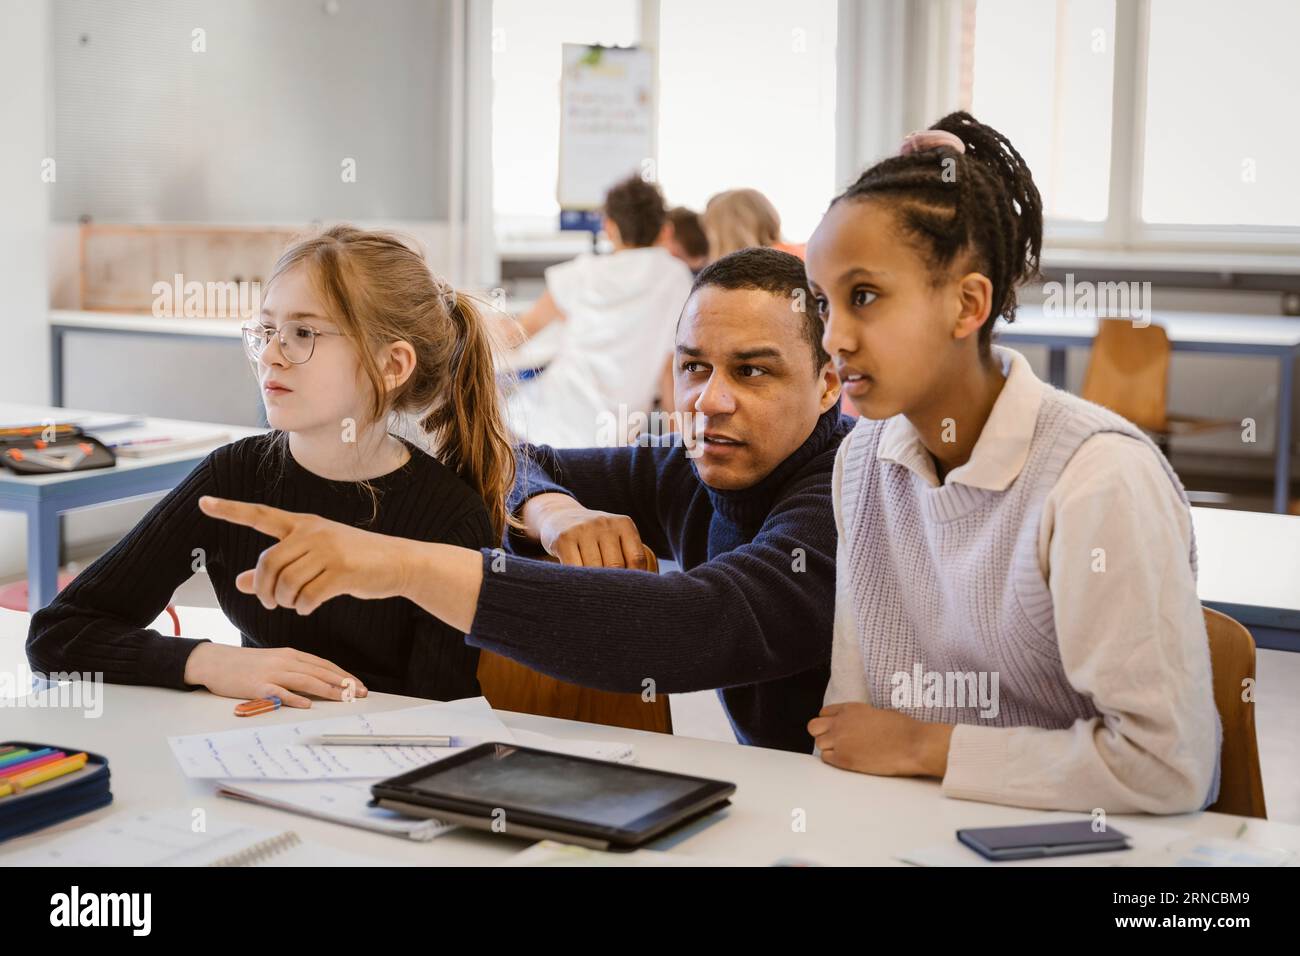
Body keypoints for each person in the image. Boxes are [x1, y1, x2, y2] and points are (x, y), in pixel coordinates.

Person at [198, 248, 851, 753]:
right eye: (693, 367)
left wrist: (401, 566)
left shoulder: (845, 491)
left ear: (827, 385)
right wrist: (551, 508)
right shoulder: (689, 465)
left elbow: (702, 625)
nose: (710, 401)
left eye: (753, 371)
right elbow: (514, 460)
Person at [805, 114, 1220, 813]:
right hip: (914, 831)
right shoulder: (861, 462)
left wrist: (924, 745)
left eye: (864, 296)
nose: (833, 337)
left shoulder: (1099, 479)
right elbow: (852, 726)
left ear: (968, 304)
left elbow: (1167, 767)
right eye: (822, 303)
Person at [28, 226, 513, 708]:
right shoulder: (234, 476)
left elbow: (439, 723)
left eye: (302, 333)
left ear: (392, 366)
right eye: (266, 331)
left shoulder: (449, 518)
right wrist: (208, 662)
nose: (270, 356)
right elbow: (59, 634)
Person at [502, 175, 693, 447]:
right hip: (611, 442)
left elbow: (517, 333)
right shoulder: (676, 279)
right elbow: (670, 373)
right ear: (665, 229)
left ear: (609, 226)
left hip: (539, 425)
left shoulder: (583, 274)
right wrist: (681, 450)